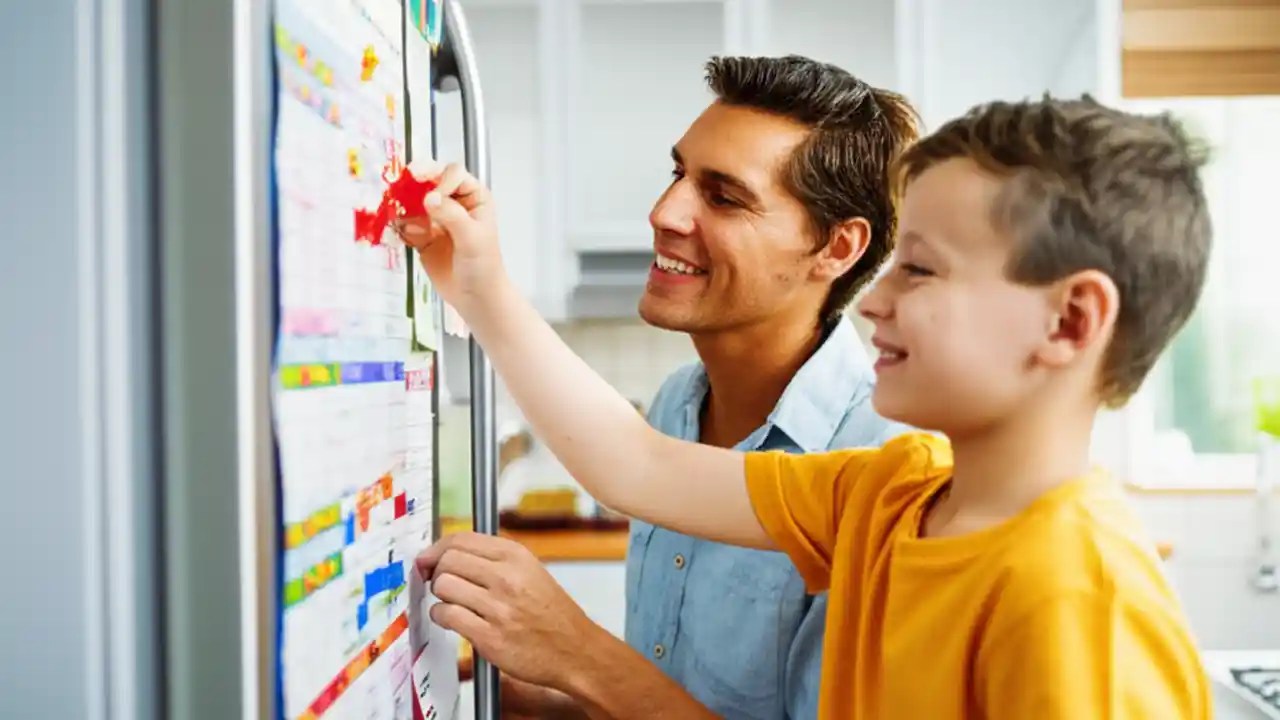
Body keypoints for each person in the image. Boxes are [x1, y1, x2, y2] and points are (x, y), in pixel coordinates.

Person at [405, 93, 1214, 718]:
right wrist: (481, 288)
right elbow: (633, 463)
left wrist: (579, 658)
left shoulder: (1082, 599)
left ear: (1068, 321)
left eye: (922, 272)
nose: (873, 302)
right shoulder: (888, 491)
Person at [435, 55, 918, 719]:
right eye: (678, 174)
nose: (665, 212)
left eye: (723, 196)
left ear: (836, 249)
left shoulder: (883, 465)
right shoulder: (674, 407)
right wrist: (560, 697)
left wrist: (579, 655)